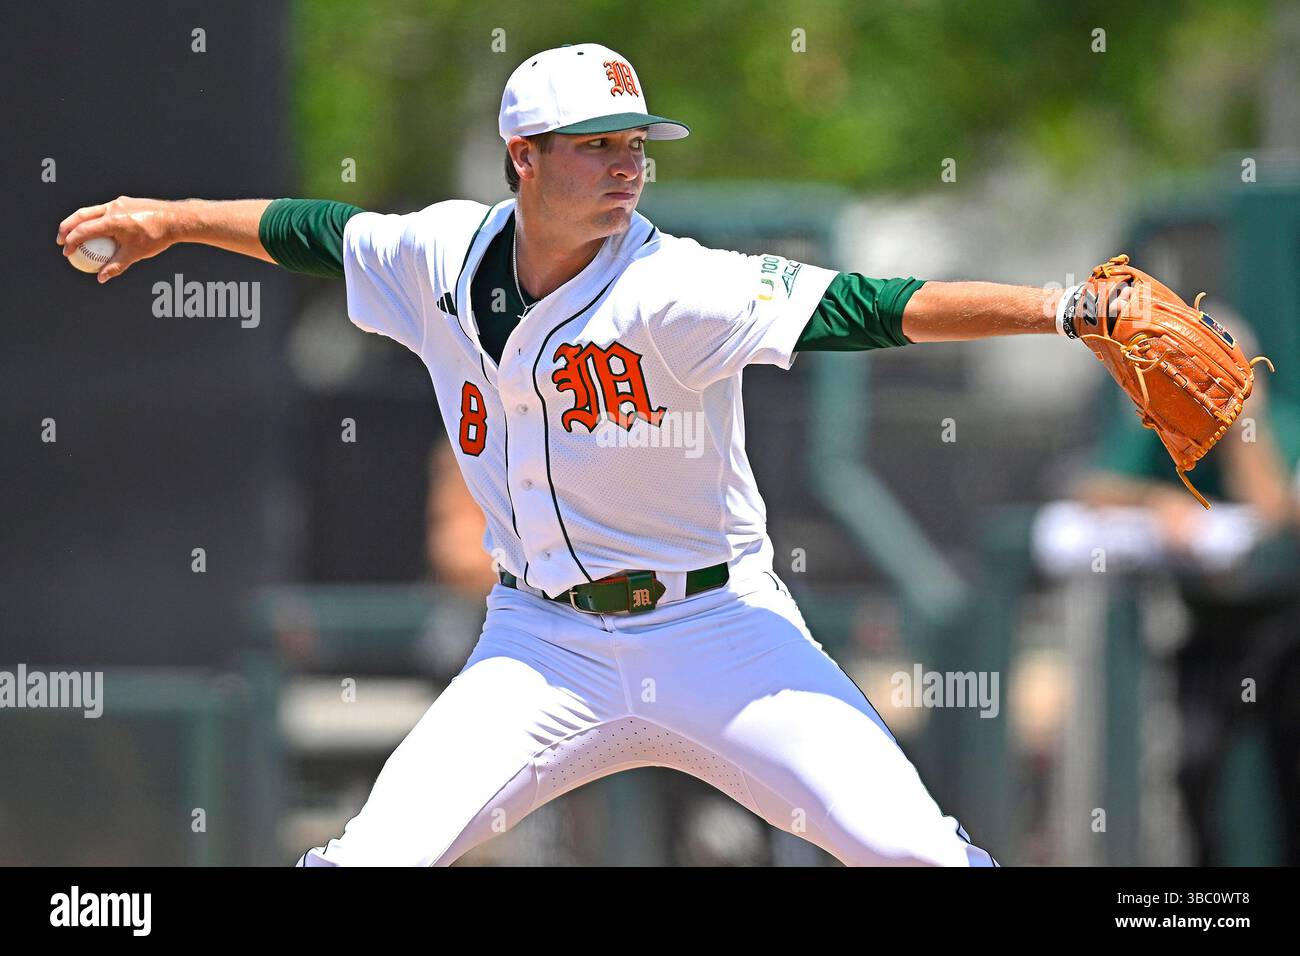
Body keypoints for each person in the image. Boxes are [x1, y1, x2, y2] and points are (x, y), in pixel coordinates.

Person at [57, 42, 1118, 867]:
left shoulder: (677, 286)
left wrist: (1064, 307)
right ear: (525, 156)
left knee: (911, 848)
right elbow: (318, 231)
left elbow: (872, 307)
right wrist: (175, 219)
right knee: (372, 852)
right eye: (598, 144)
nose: (628, 166)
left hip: (719, 629)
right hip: (541, 643)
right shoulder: (440, 253)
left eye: (637, 143)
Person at [1076, 319, 1300, 865]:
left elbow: (1272, 508)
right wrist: (1157, 502)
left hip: (1285, 630)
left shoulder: (1280, 424)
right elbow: (1096, 490)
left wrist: (1244, 420)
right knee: (1196, 768)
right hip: (1209, 630)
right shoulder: (1163, 427)